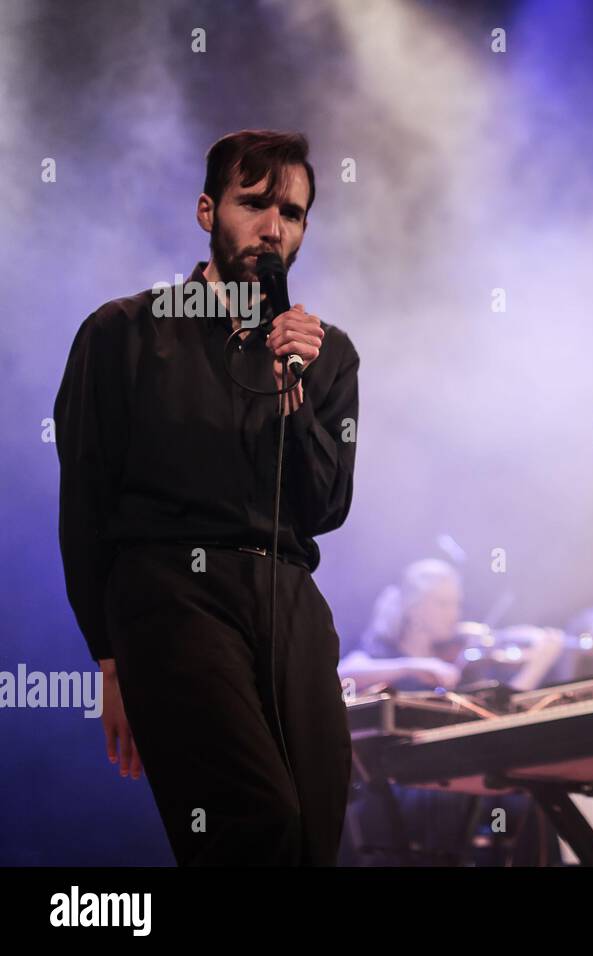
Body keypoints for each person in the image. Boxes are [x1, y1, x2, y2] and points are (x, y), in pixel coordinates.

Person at [53, 129, 360, 864]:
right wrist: (112, 659)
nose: (272, 227)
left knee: (314, 839)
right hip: (172, 593)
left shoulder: (327, 354)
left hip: (288, 597)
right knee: (256, 822)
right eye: (253, 204)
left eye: (291, 213)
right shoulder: (123, 332)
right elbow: (85, 502)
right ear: (206, 211)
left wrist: (293, 386)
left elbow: (327, 505)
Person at [338, 559, 563, 865]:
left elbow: (500, 717)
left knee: (540, 801)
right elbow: (343, 674)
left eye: (456, 604)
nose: (455, 614)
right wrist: (415, 666)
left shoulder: (458, 667)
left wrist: (538, 665)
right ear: (415, 608)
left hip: (451, 780)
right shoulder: (382, 657)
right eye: (443, 604)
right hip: (398, 786)